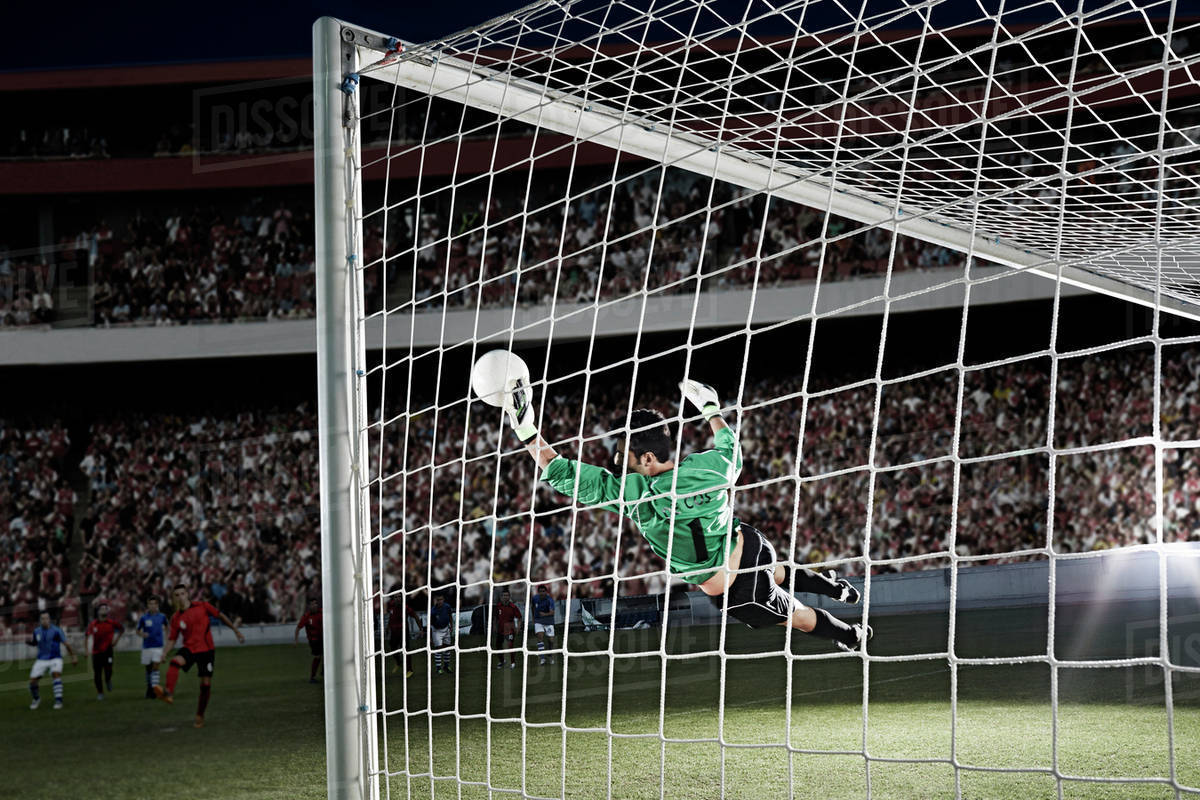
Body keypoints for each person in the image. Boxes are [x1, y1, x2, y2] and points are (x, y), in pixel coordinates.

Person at [503, 377, 870, 651]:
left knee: (798, 617)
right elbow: (731, 451)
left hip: (738, 587)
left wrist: (526, 431)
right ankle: (836, 587)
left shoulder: (632, 494)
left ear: (647, 459)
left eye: (623, 454)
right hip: (751, 542)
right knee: (779, 570)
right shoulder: (702, 469)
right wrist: (710, 409)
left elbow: (564, 473)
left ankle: (851, 635)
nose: (616, 461)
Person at [155, 582, 245, 728]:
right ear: (174, 598)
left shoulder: (202, 606)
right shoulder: (176, 618)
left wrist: (236, 630)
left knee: (205, 685)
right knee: (175, 662)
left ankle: (200, 715)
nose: (180, 597)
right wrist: (164, 652)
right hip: (190, 648)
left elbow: (220, 616)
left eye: (182, 594)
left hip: (206, 650)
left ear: (187, 594)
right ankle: (168, 693)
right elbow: (172, 639)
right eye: (177, 595)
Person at [28, 611, 78, 710]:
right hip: (41, 659)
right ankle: (36, 699)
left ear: (49, 619)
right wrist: (30, 643)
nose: (45, 620)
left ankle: (59, 700)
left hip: (55, 658)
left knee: (56, 674)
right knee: (32, 682)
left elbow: (66, 644)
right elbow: (35, 643)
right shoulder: (36, 631)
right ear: (40, 620)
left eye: (46, 618)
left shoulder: (57, 630)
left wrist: (73, 656)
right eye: (42, 618)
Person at [86, 601, 124, 700]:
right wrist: (86, 650)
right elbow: (86, 636)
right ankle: (100, 692)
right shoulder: (93, 624)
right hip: (96, 652)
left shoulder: (111, 623)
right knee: (97, 674)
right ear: (98, 612)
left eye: (105, 608)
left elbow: (121, 629)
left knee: (108, 670)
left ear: (107, 611)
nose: (103, 610)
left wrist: (116, 640)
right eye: (101, 608)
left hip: (108, 651)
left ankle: (108, 680)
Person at [136, 596, 169, 699]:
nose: (152, 606)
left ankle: (155, 689)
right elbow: (137, 630)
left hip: (158, 646)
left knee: (155, 667)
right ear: (148, 605)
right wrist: (142, 634)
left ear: (157, 605)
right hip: (147, 647)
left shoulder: (162, 616)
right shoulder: (144, 618)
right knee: (148, 669)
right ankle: (149, 689)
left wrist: (167, 638)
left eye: (154, 604)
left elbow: (167, 627)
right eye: (150, 604)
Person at [294, 598, 324, 684]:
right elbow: (298, 628)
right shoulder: (307, 616)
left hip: (322, 638)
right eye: (312, 604)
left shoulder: (322, 612)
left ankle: (323, 672)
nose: (314, 606)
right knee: (318, 657)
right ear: (309, 606)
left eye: (315, 604)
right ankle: (312, 677)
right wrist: (296, 640)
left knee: (325, 655)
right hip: (314, 640)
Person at [494, 590, 522, 670]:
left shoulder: (513, 607)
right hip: (500, 629)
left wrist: (518, 627)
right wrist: (494, 626)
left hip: (509, 628)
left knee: (510, 645)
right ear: (501, 597)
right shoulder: (498, 606)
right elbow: (495, 618)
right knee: (498, 646)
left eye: (507, 595)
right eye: (504, 595)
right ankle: (502, 661)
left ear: (509, 597)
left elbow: (519, 618)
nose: (505, 597)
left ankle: (513, 663)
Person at [428, 593, 454, 675]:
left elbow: (450, 616)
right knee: (438, 649)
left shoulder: (447, 607)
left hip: (446, 629)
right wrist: (430, 638)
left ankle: (446, 666)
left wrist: (451, 625)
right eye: (438, 600)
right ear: (435, 600)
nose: (440, 601)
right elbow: (430, 624)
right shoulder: (433, 611)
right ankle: (438, 668)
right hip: (437, 630)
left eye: (441, 599)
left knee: (447, 648)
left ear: (443, 600)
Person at [530, 585, 557, 665]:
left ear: (546, 592)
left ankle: (550, 655)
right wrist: (533, 617)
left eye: (543, 591)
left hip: (549, 621)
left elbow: (552, 612)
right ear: (538, 592)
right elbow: (532, 607)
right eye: (540, 591)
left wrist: (544, 614)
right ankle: (542, 658)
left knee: (551, 640)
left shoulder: (550, 600)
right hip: (538, 620)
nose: (542, 593)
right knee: (540, 637)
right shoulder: (535, 598)